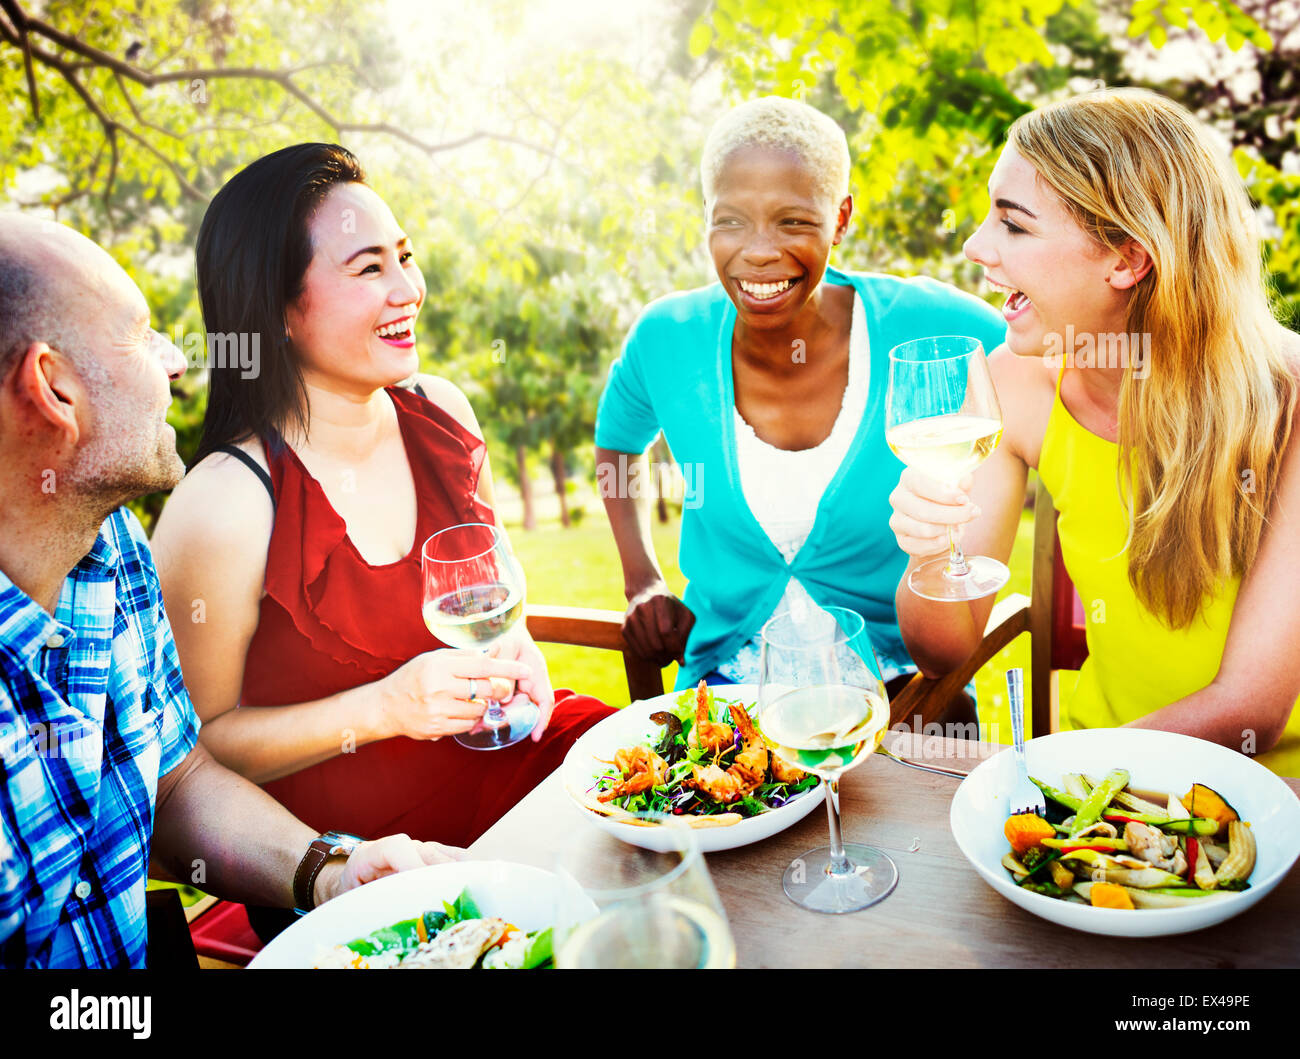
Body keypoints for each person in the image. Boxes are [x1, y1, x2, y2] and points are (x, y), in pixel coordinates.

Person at [149, 144, 613, 939]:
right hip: (361, 856)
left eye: (405, 257)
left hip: (507, 765)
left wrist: (521, 652)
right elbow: (193, 757)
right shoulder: (224, 504)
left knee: (678, 814)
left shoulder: (443, 412)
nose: (409, 291)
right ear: (279, 308)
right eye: (369, 269)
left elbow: (494, 597)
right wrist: (387, 706)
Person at [0, 215, 460, 969]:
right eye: (142, 335)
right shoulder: (227, 497)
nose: (176, 360)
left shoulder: (112, 549)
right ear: (53, 387)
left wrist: (330, 870)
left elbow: (176, 780)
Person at [887, 88, 1300, 774]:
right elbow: (944, 648)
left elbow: (1248, 706)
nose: (974, 245)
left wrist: (1058, 782)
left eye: (1013, 225)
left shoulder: (1288, 394)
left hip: (1265, 795)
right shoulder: (1012, 384)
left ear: (1127, 260)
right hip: (1097, 767)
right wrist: (928, 556)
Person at [594, 96, 1006, 710]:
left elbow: (1043, 350)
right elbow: (618, 446)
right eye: (731, 220)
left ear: (840, 219)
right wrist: (642, 578)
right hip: (724, 699)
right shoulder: (667, 337)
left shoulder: (924, 322)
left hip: (910, 694)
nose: (758, 251)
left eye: (792, 221)